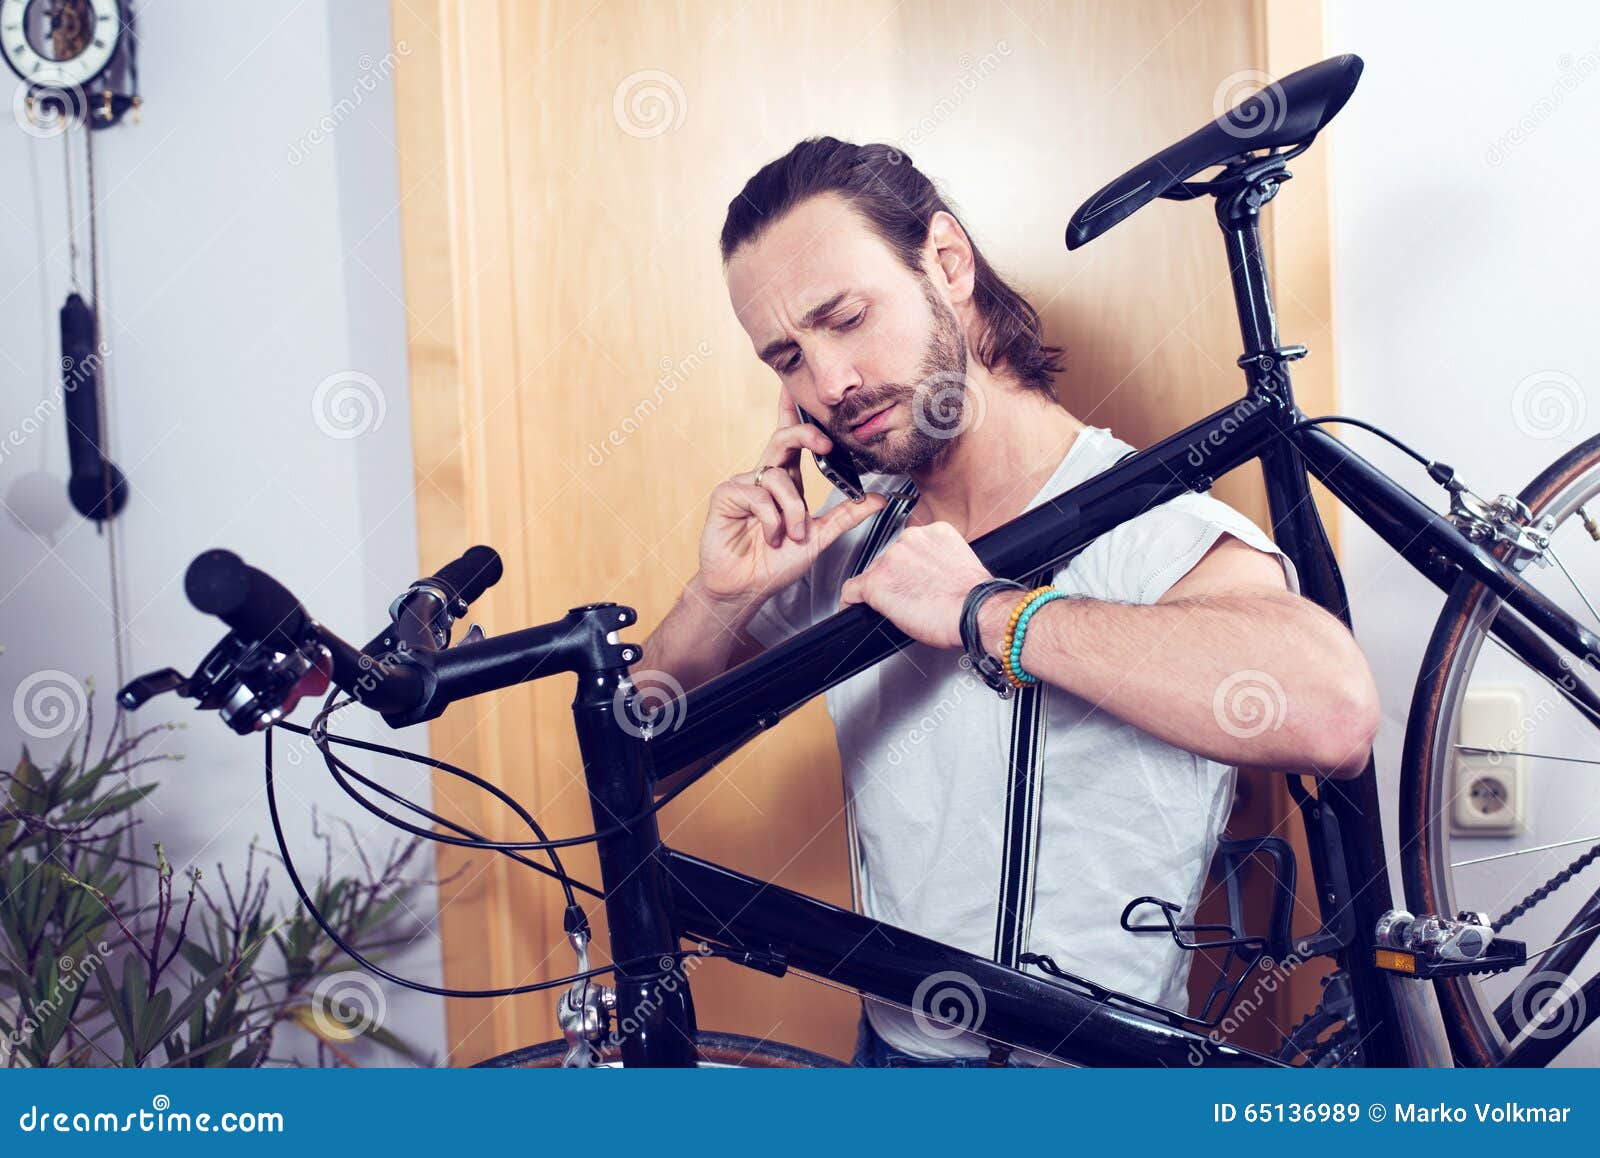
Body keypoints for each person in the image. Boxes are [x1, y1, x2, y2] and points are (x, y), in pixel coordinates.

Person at [640, 137, 1380, 1065]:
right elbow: (638, 768)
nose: (830, 384)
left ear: (946, 264)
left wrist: (989, 613)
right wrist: (718, 599)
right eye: (788, 356)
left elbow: (1333, 712)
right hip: (893, 1059)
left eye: (848, 317)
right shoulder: (839, 546)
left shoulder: (1155, 525)